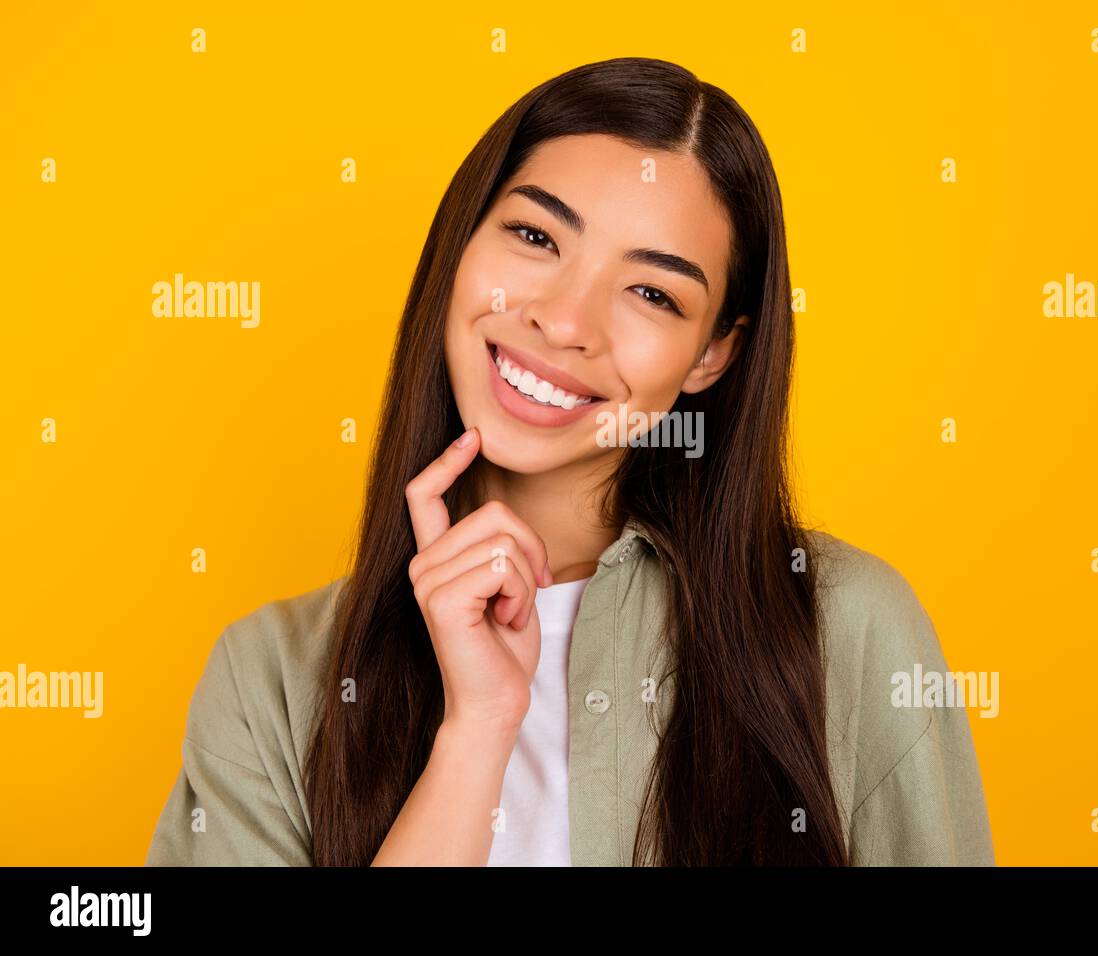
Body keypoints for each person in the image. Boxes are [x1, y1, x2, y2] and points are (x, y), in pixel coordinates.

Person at [145, 56, 995, 867]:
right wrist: (479, 726)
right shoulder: (273, 680)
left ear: (711, 356)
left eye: (654, 293)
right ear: (461, 243)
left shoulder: (846, 631)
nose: (564, 320)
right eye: (534, 235)